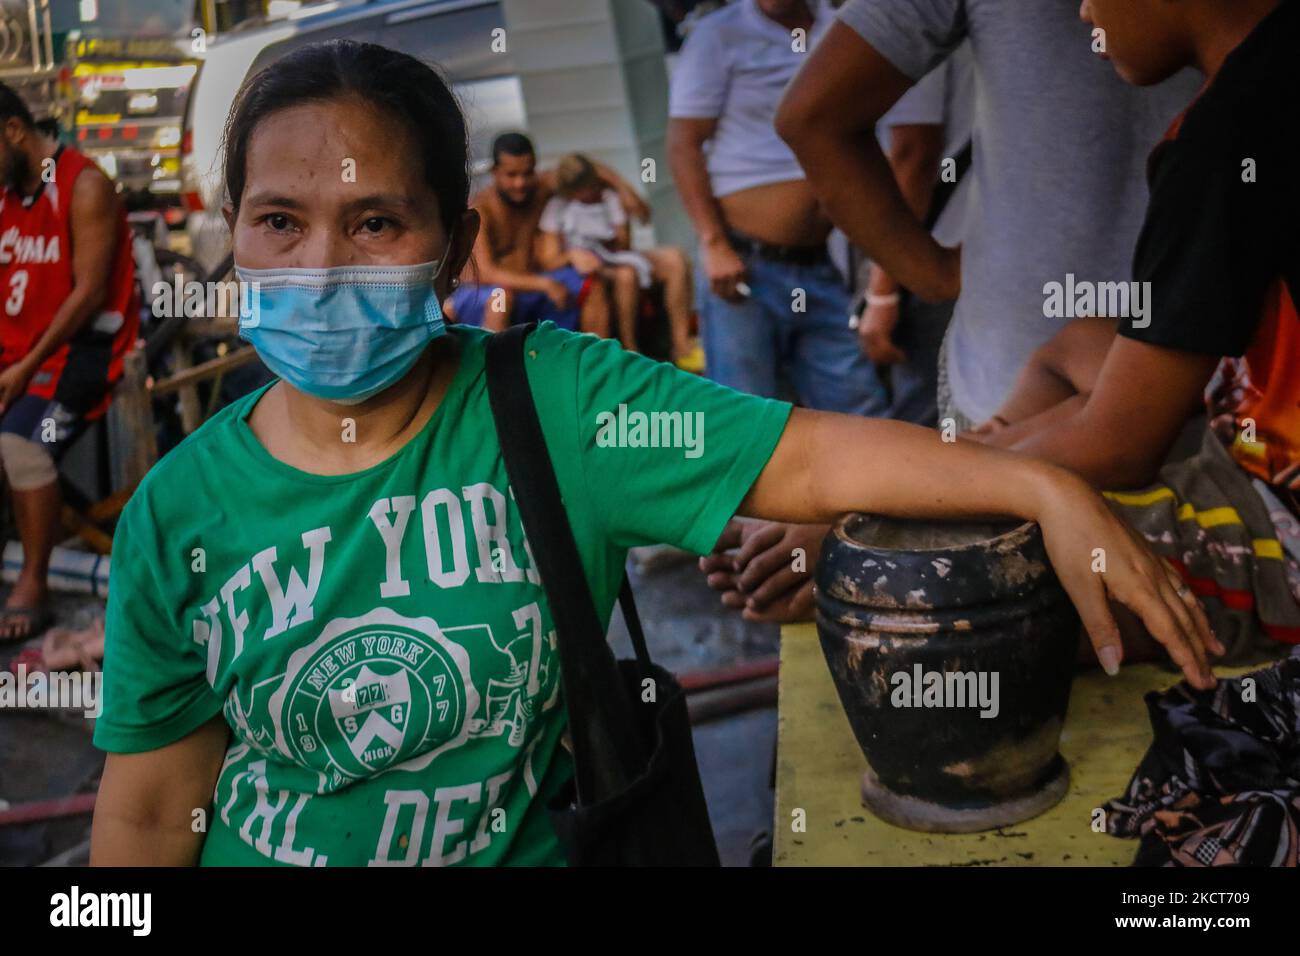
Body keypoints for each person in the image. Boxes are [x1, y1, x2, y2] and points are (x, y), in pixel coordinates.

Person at [90, 40, 1213, 868]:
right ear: (231, 232)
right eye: (279, 221)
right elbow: (148, 814)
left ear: (455, 251)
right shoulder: (173, 511)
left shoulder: (555, 403)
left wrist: (1043, 486)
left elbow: (816, 461)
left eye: (376, 222)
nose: (324, 263)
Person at [701, 0, 1200, 626]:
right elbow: (1086, 383)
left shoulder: (1217, 151)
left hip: (1206, 481)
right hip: (1096, 395)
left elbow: (1121, 435)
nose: (1080, 13)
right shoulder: (1201, 144)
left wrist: (881, 526)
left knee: (985, 634)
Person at [966, 0, 1300, 661]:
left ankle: (939, 498)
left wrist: (891, 513)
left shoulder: (1228, 131)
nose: (1085, 11)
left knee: (958, 582)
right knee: (1074, 352)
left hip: (1283, 514)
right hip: (1248, 419)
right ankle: (973, 463)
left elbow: (1119, 446)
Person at [667, 0, 888, 414]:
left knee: (860, 409)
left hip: (821, 263)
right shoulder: (717, 34)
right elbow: (683, 144)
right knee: (746, 415)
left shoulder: (839, 26)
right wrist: (713, 243)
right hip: (745, 267)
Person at [0, 84, 139, 643]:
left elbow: (86, 296)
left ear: (13, 131)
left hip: (79, 364)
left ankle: (34, 583)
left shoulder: (80, 185)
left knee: (26, 444)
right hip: (19, 360)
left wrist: (25, 366)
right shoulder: (8, 193)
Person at [443, 132, 643, 335]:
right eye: (511, 175)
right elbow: (486, 272)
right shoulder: (481, 208)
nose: (520, 183)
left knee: (591, 281)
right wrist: (544, 284)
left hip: (533, 281)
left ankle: (594, 360)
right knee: (501, 297)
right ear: (495, 172)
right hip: (489, 291)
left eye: (527, 173)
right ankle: (495, 364)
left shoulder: (540, 188)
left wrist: (625, 192)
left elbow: (591, 169)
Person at [536, 153, 702, 371]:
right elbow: (549, 259)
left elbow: (629, 234)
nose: (591, 193)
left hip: (614, 256)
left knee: (676, 259)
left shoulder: (608, 196)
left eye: (593, 186)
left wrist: (616, 223)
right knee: (626, 275)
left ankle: (681, 346)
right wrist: (572, 255)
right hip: (584, 267)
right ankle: (630, 349)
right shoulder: (556, 205)